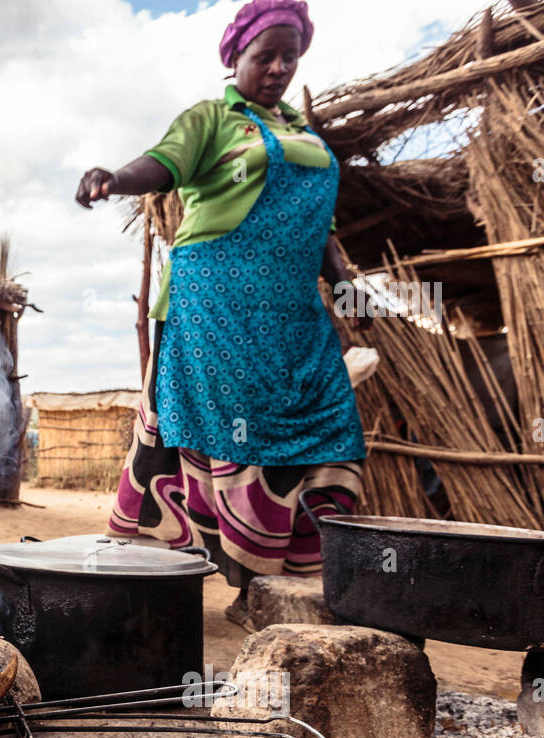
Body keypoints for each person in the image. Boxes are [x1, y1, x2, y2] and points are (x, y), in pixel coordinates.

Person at [77, 0, 368, 626]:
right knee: (212, 430)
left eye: (290, 56)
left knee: (329, 427)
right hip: (217, 309)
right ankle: (157, 584)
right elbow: (163, 163)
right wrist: (114, 178)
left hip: (294, 315)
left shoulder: (307, 136)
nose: (279, 68)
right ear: (235, 57)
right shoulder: (213, 119)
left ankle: (272, 589)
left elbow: (324, 235)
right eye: (265, 55)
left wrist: (347, 292)